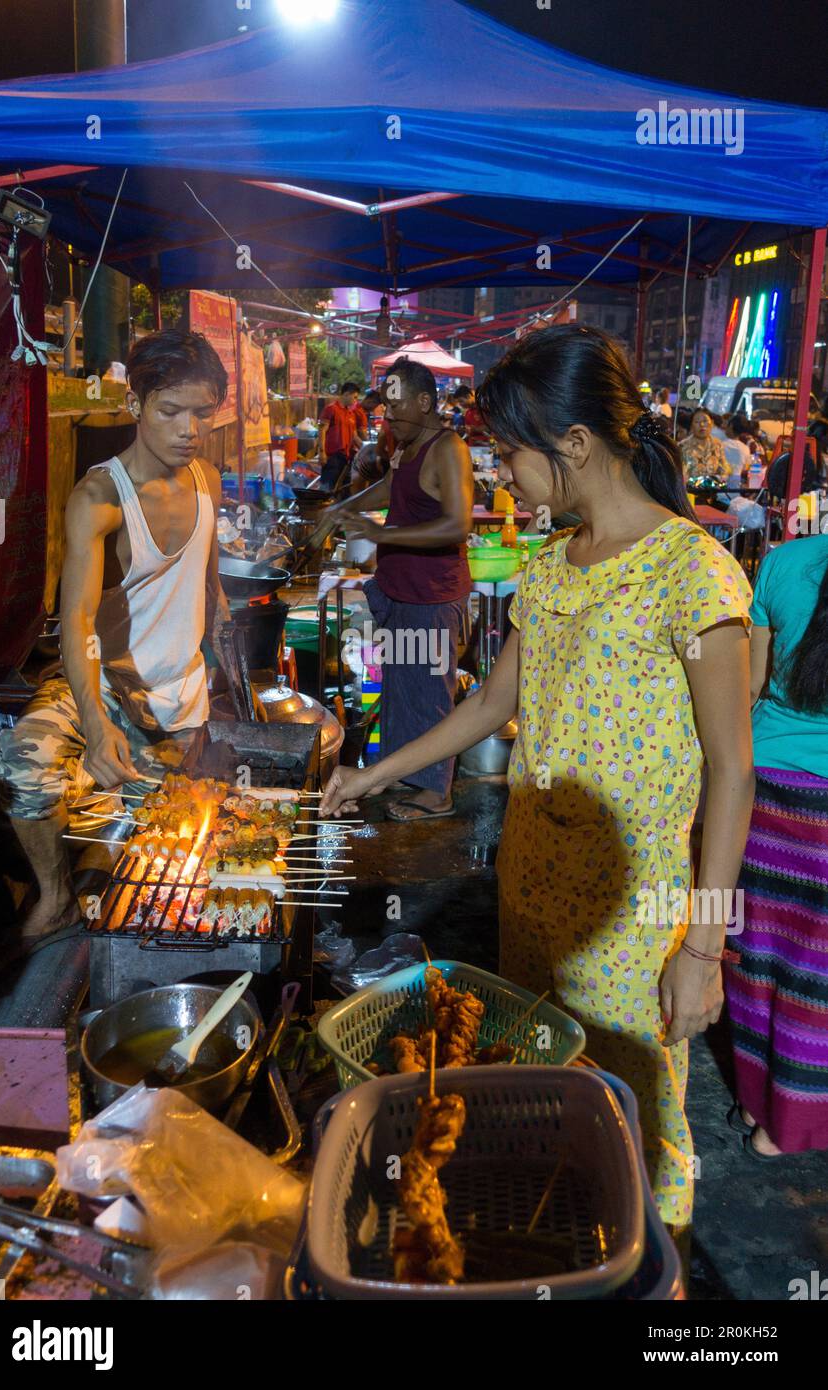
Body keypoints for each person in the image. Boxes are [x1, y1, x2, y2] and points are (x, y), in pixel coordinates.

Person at [321, 325, 754, 1230]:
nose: (501, 477)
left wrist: (704, 951)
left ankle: (643, 1275)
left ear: (576, 446)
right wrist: (373, 773)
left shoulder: (693, 574)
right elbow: (486, 708)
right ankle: (563, 1253)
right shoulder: (550, 567)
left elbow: (732, 774)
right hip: (532, 889)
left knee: (635, 1117)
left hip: (635, 920)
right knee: (548, 1098)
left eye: (511, 455)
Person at [0, 330, 230, 962]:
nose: (188, 428)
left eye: (202, 412)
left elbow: (208, 584)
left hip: (175, 697)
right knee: (23, 766)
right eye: (169, 410)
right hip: (98, 683)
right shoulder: (99, 498)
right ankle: (54, 896)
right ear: (135, 405)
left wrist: (226, 651)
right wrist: (95, 725)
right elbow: (77, 620)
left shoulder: (208, 478)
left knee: (158, 869)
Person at [313, 356, 473, 820]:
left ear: (425, 403)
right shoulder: (408, 444)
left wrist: (382, 534)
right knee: (402, 690)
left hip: (433, 596)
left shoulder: (448, 448)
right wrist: (343, 507)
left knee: (429, 696)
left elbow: (457, 525)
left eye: (397, 409)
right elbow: (389, 488)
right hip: (402, 590)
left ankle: (436, 793)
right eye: (385, 409)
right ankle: (404, 773)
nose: (389, 418)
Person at [726, 535, 828, 1158]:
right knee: (816, 974)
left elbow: (751, 685)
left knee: (755, 955)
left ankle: (750, 1096)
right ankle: (783, 1127)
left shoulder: (785, 562)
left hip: (765, 791)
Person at [317, 381, 362, 494]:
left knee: (343, 490)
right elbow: (322, 430)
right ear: (346, 394)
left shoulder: (351, 414)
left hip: (346, 458)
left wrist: (366, 449)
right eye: (354, 397)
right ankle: (323, 511)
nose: (355, 401)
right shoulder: (331, 409)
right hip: (333, 457)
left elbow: (354, 436)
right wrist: (322, 452)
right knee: (327, 490)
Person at [680, 407, 731, 482]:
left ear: (712, 423)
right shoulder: (682, 446)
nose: (702, 425)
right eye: (697, 422)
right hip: (690, 492)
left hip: (713, 491)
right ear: (691, 425)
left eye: (705, 421)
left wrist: (722, 477)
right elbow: (680, 475)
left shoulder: (718, 444)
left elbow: (724, 469)